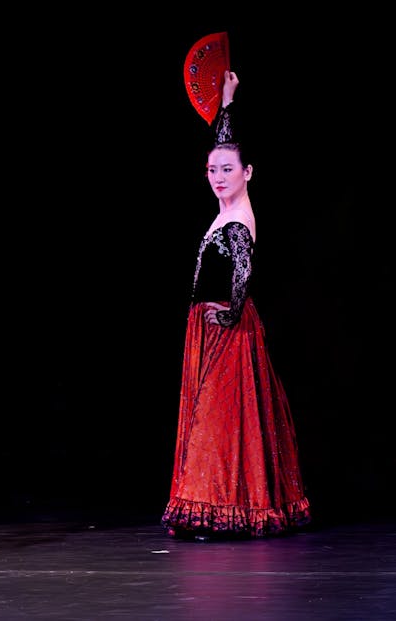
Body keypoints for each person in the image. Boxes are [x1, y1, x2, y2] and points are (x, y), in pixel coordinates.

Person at [160, 69, 311, 540]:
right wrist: (225, 102)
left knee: (220, 418)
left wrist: (229, 313)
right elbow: (223, 146)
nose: (218, 177)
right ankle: (222, 507)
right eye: (212, 170)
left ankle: (224, 508)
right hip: (210, 326)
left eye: (228, 169)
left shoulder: (239, 219)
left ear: (248, 173)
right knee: (212, 416)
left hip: (229, 327)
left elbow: (244, 268)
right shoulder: (226, 209)